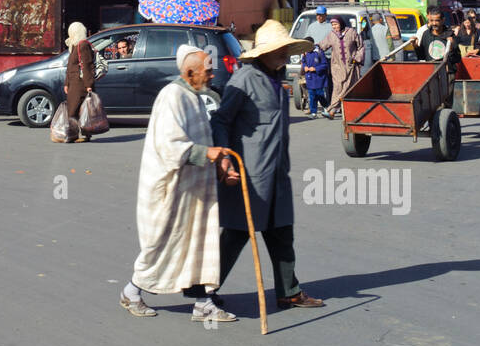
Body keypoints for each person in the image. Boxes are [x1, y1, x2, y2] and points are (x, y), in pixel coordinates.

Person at [212, 21, 325, 313]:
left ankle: (289, 291)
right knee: (236, 235)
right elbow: (221, 120)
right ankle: (205, 291)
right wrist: (224, 160)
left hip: (277, 173)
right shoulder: (243, 80)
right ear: (264, 53)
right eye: (280, 49)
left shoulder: (278, 79)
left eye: (286, 48)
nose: (285, 54)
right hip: (249, 173)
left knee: (282, 233)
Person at [120, 45, 239, 323]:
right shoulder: (172, 97)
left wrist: (220, 163)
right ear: (190, 72)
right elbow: (169, 144)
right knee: (162, 246)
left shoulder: (195, 95)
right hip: (171, 189)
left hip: (193, 189)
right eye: (207, 70)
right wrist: (205, 153)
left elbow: (203, 135)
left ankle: (203, 303)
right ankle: (131, 291)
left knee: (196, 245)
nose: (212, 75)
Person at [320, 14, 363, 118]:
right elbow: (323, 45)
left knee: (349, 89)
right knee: (338, 88)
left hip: (351, 66)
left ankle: (337, 111)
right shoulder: (332, 35)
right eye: (333, 25)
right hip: (337, 67)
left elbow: (360, 46)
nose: (334, 27)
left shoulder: (351, 32)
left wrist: (357, 58)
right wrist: (311, 48)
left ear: (341, 23)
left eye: (336, 24)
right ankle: (332, 110)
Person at [62, 21, 96, 142]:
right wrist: (66, 83)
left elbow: (87, 66)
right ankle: (76, 134)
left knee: (77, 109)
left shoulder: (83, 45)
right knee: (74, 109)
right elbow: (70, 66)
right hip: (74, 83)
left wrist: (88, 85)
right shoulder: (74, 45)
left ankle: (80, 134)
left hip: (80, 84)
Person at [300, 43, 332, 119]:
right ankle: (313, 113)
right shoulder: (305, 53)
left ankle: (327, 108)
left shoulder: (319, 52)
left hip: (319, 78)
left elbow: (324, 65)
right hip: (309, 78)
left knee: (319, 94)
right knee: (311, 95)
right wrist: (305, 67)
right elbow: (303, 62)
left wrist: (315, 69)